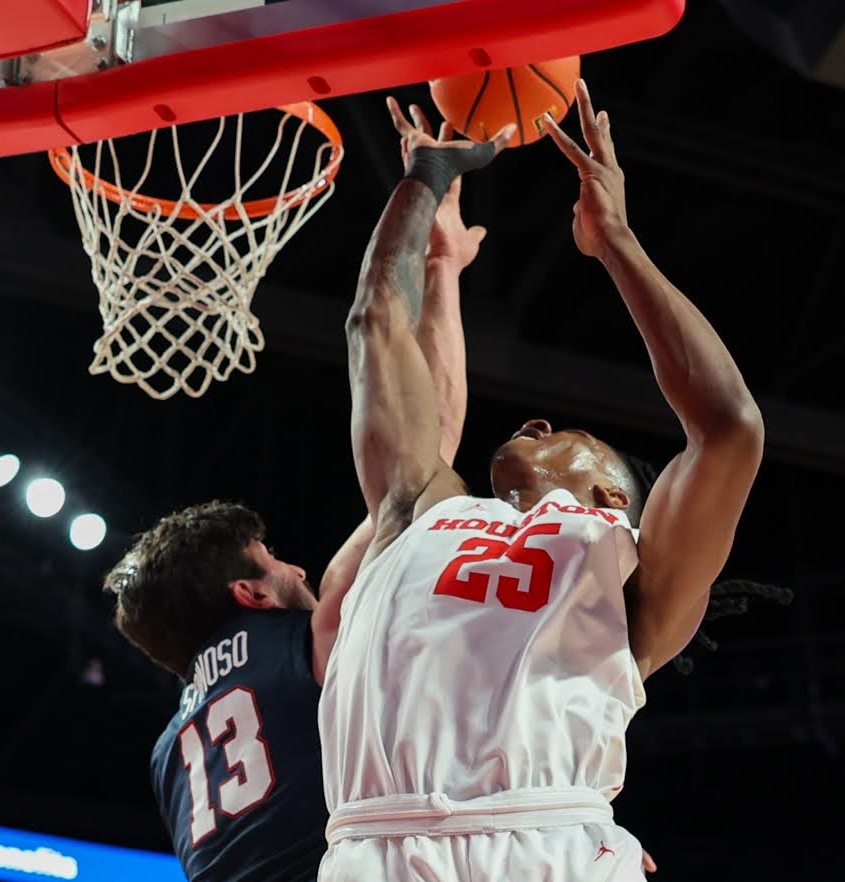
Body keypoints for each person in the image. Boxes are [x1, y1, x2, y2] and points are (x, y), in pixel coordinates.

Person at [316, 84, 764, 882]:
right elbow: (374, 321)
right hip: (367, 849)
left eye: (569, 435)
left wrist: (615, 240)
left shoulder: (630, 564)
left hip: (542, 847)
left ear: (613, 498)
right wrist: (423, 179)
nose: (534, 424)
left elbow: (730, 426)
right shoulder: (415, 507)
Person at [99, 160, 485, 881]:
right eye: (272, 558)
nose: (297, 567)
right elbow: (424, 450)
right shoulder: (308, 636)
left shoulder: (169, 753)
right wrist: (440, 264)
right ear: (250, 595)